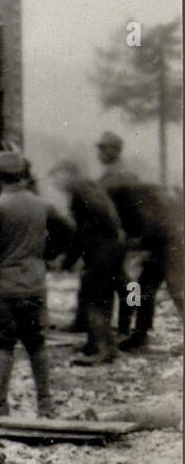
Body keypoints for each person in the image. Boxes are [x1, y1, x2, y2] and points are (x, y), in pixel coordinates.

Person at [0, 151, 74, 417]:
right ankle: (46, 404)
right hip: (33, 285)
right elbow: (67, 229)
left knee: (3, 345)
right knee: (37, 344)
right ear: (23, 174)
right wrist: (48, 254)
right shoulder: (42, 205)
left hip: (1, 287)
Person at [96, 131, 184, 349]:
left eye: (103, 148)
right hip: (154, 240)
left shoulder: (120, 181)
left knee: (176, 289)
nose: (99, 153)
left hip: (163, 240)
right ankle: (139, 333)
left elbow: (141, 217)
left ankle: (137, 331)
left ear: (114, 150)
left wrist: (140, 244)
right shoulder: (120, 179)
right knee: (142, 287)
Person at [49, 160, 125, 365]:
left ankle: (103, 349)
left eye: (57, 177)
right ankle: (95, 343)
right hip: (110, 248)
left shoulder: (79, 193)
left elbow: (81, 233)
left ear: (68, 175)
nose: (55, 183)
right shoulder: (89, 188)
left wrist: (67, 260)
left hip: (102, 252)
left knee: (96, 299)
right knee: (99, 297)